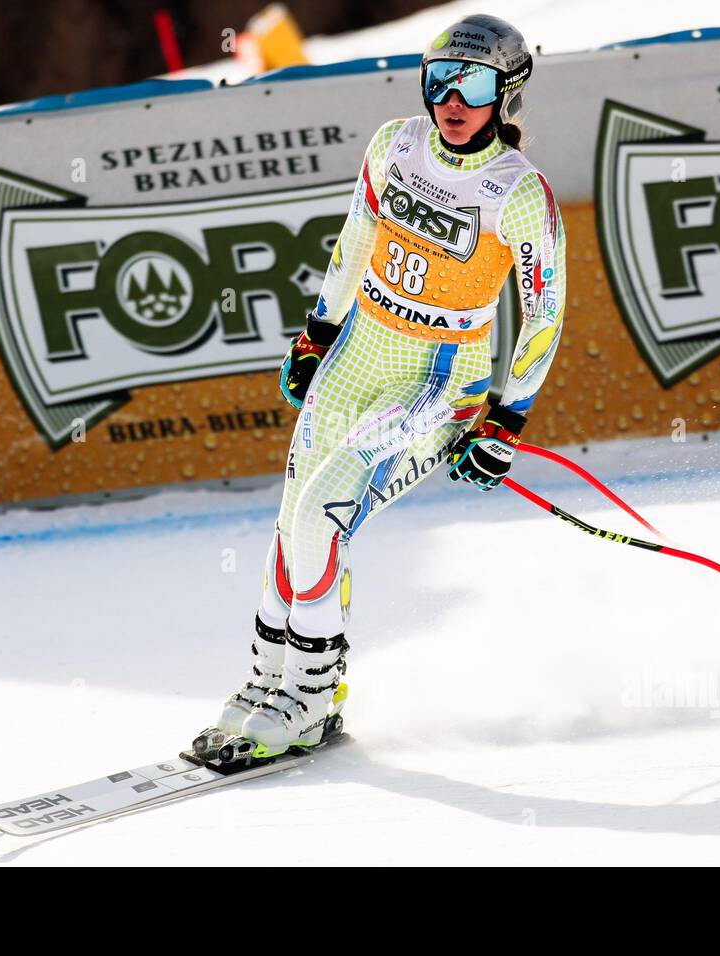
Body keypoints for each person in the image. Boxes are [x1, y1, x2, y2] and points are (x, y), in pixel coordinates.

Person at [214, 13, 566, 756]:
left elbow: (544, 312)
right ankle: (271, 675)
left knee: (318, 522)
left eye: (473, 84)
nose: (453, 99)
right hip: (357, 355)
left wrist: (508, 419)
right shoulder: (395, 143)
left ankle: (310, 697)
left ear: (507, 94)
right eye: (440, 80)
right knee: (289, 523)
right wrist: (318, 331)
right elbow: (356, 240)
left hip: (436, 383)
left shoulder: (518, 191)